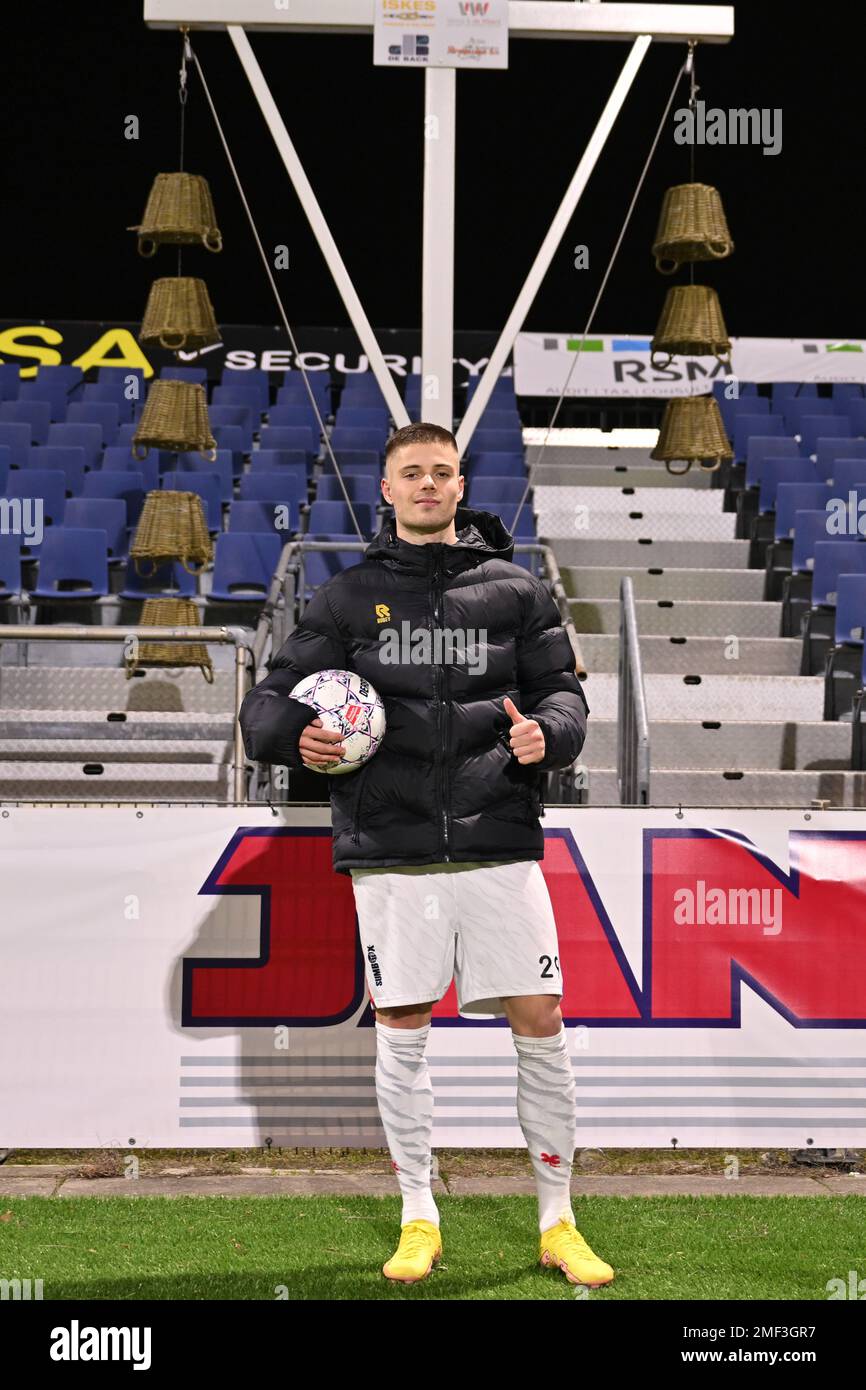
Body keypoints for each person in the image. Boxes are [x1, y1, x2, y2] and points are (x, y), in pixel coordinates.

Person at [239, 419, 613, 1289]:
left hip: (497, 841)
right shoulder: (345, 598)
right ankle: (419, 1216)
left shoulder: (516, 591)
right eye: (412, 473)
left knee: (542, 1026)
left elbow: (565, 696)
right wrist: (304, 737)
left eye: (442, 473)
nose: (428, 486)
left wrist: (548, 740)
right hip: (393, 849)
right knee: (403, 1030)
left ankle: (558, 1223)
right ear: (387, 488)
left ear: (459, 485)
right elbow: (264, 710)